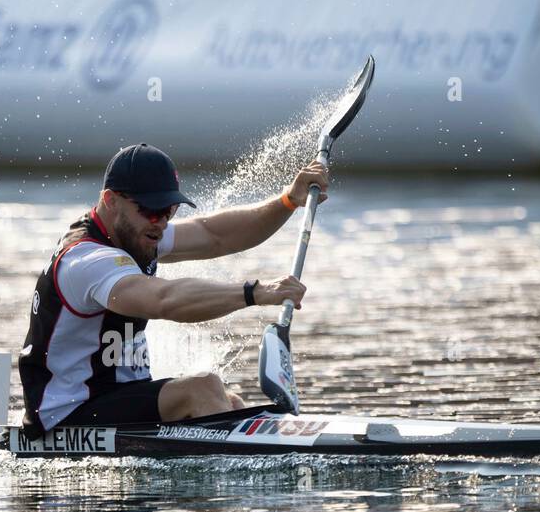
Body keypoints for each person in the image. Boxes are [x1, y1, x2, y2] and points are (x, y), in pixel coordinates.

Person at [18, 142, 329, 438]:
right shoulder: (87, 260)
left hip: (113, 398)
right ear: (111, 200)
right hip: (65, 417)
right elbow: (164, 301)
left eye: (168, 211)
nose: (160, 223)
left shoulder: (137, 232)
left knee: (225, 401)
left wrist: (288, 200)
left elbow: (215, 234)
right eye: (151, 211)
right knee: (202, 390)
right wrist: (255, 292)